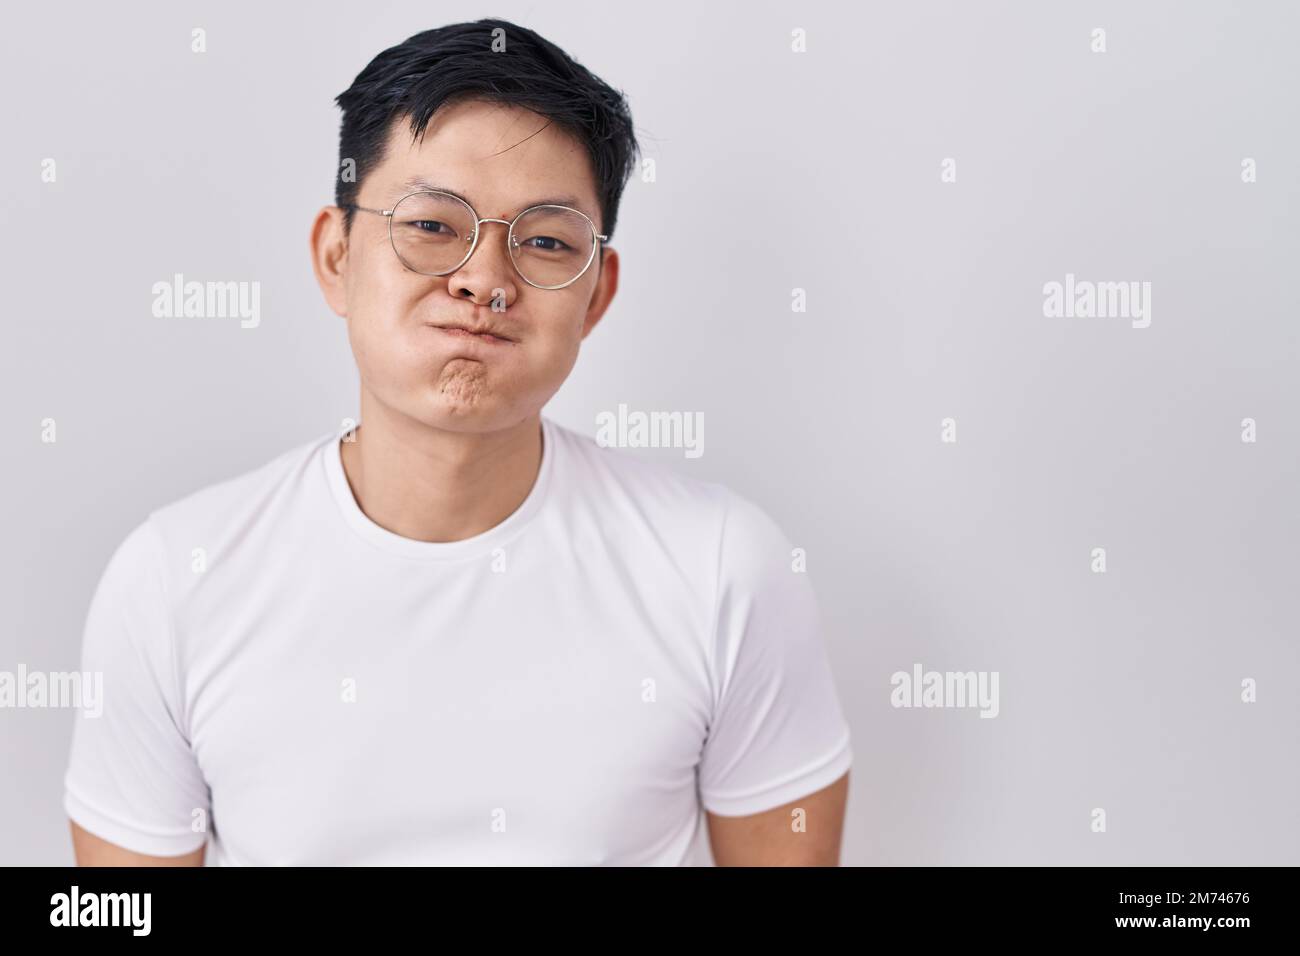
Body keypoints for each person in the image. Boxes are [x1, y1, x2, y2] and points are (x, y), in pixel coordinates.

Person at [64, 17, 852, 866]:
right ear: (336, 255)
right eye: (434, 226)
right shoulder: (175, 583)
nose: (484, 280)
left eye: (546, 242)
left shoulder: (722, 570)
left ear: (595, 295)